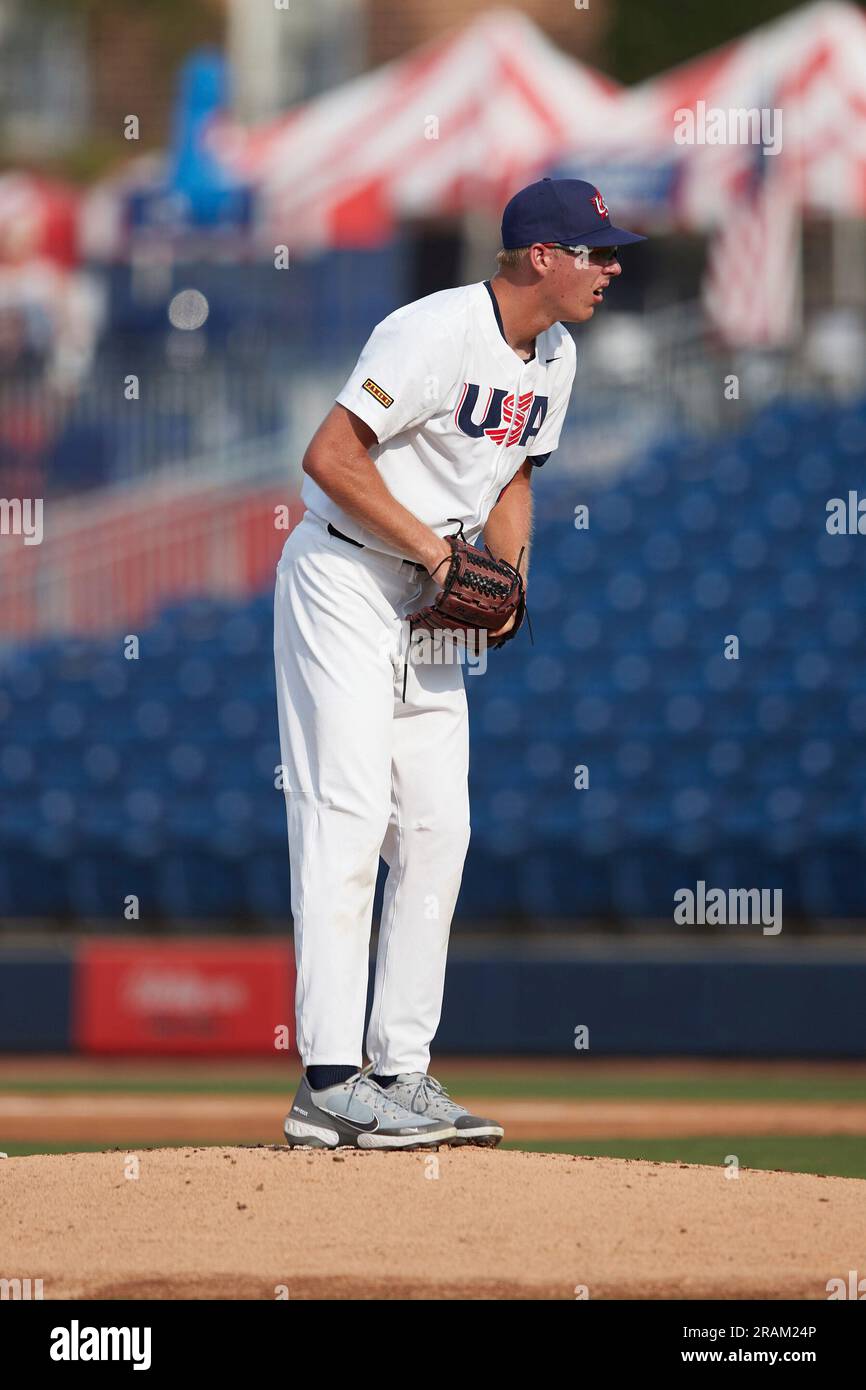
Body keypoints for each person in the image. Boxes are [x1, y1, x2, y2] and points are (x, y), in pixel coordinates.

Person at [275, 178, 645, 1150]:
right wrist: (439, 553)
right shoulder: (432, 329)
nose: (610, 267)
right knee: (347, 813)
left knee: (438, 827)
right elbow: (329, 455)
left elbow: (513, 471)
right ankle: (325, 1080)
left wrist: (510, 577)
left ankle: (399, 1069)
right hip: (348, 574)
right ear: (539, 256)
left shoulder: (554, 357)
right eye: (594, 251)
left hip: (431, 592)